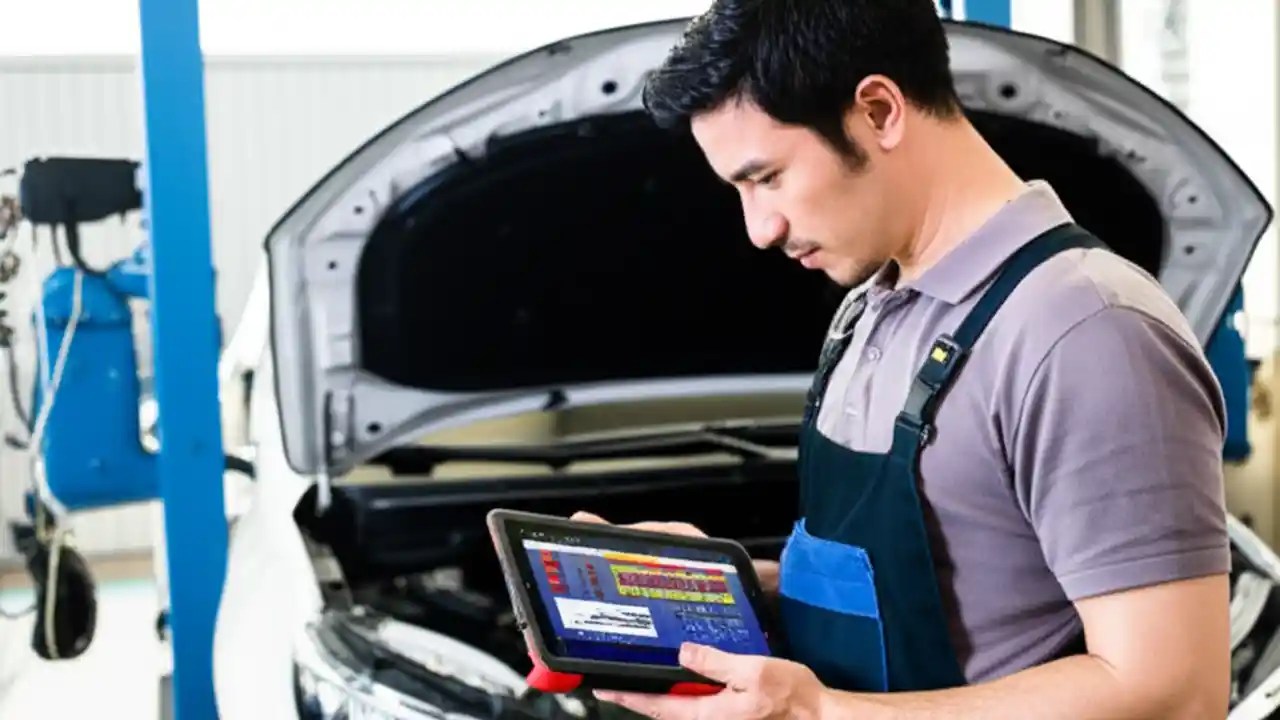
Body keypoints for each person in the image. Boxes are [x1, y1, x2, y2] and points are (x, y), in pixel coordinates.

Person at [571, 1, 1232, 718]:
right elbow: (914, 598)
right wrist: (721, 588)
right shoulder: (869, 306)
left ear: (879, 112)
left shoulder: (1086, 332)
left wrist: (818, 713)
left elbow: (1174, 691)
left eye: (767, 178)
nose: (760, 229)